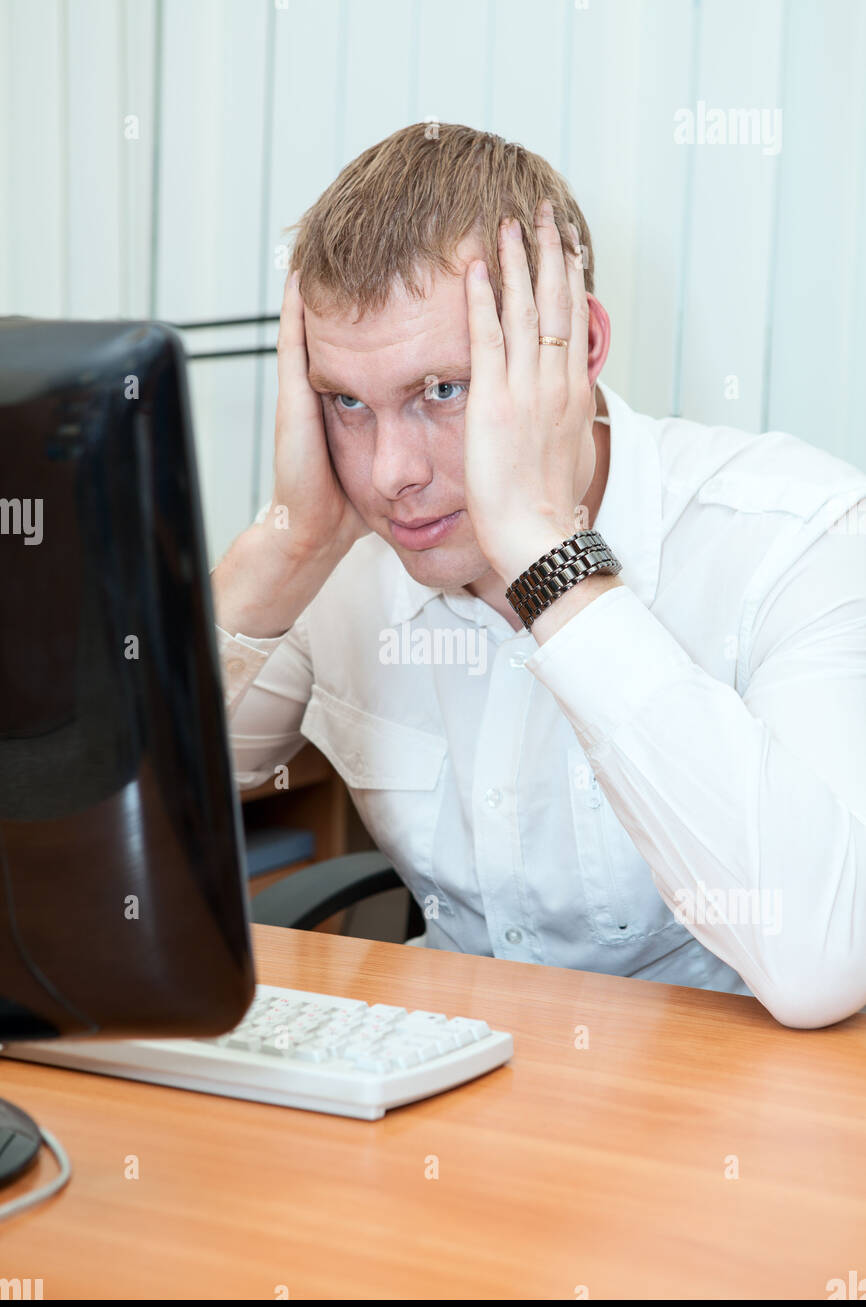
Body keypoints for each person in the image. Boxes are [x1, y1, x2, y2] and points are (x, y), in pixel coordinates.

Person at [211, 122, 866, 1029]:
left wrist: (546, 557)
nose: (390, 470)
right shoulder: (347, 550)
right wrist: (283, 549)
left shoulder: (798, 536)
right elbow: (84, 837)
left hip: (728, 1116)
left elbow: (818, 965)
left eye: (442, 390)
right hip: (446, 1094)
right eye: (347, 402)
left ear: (581, 347)